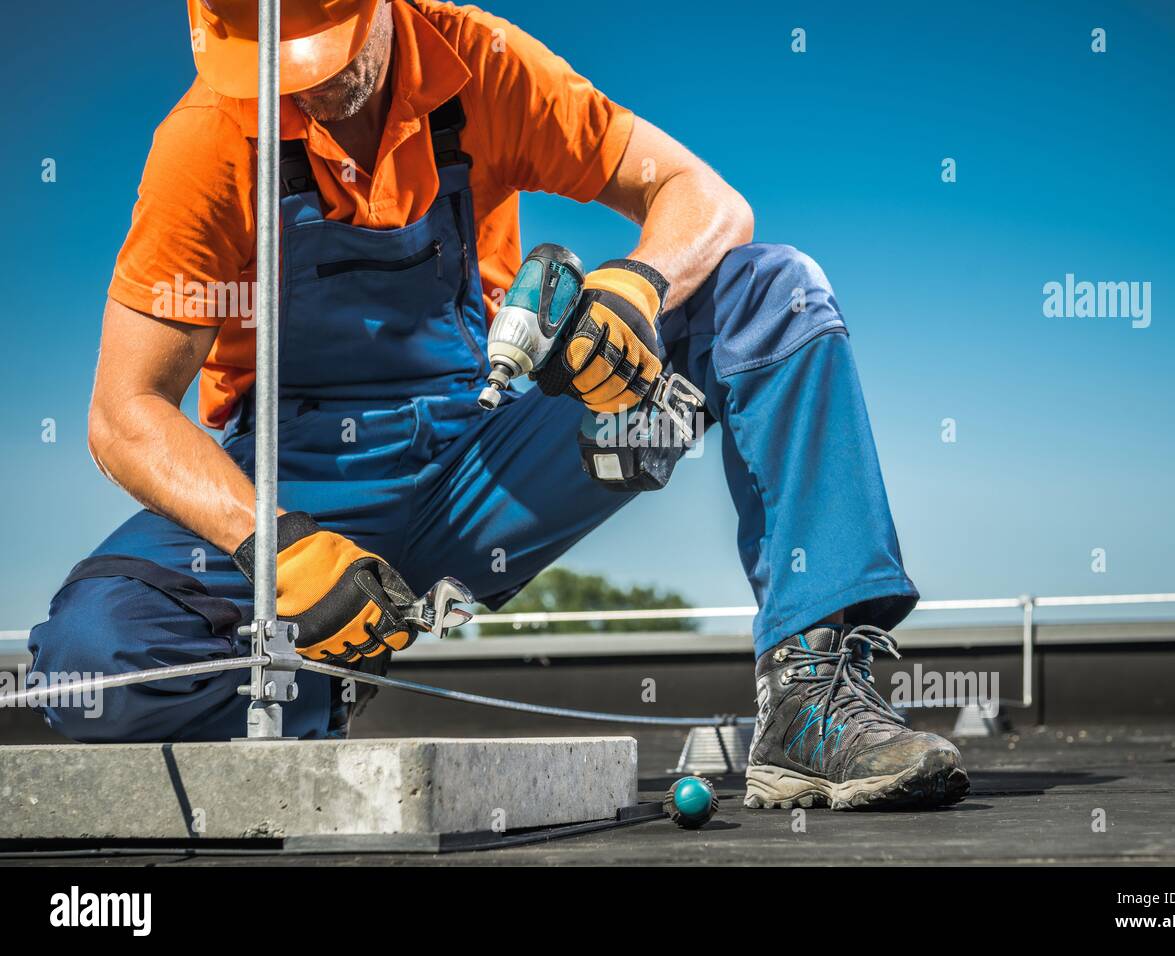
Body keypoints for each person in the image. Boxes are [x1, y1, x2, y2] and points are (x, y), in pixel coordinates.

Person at [29, 0, 967, 810]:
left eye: (331, 48)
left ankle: (810, 703)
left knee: (774, 292)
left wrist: (638, 289)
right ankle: (320, 685)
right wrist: (271, 543)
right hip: (292, 481)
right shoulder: (205, 141)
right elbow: (124, 411)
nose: (308, 87)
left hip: (483, 460)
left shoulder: (481, 65)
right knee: (89, 664)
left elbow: (702, 196)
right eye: (281, 65)